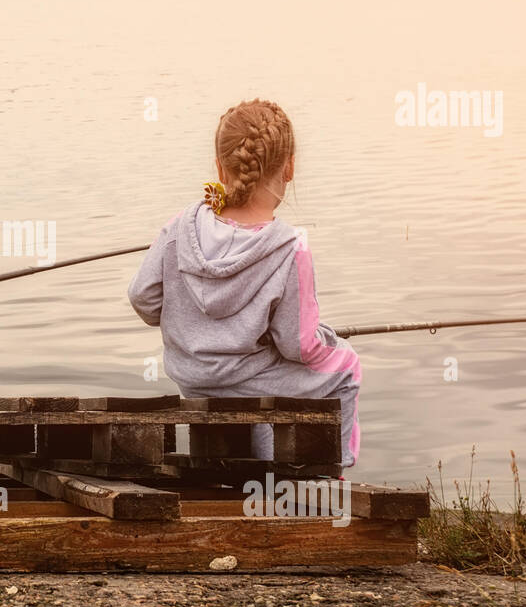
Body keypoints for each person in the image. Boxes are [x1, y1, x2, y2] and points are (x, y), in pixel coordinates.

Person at [127, 99, 360, 466]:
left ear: (220, 168)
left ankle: (251, 473)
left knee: (269, 383)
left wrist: (187, 321)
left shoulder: (179, 228)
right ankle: (332, 475)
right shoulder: (289, 247)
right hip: (249, 381)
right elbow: (298, 345)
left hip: (192, 378)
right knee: (345, 368)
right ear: (290, 168)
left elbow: (142, 297)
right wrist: (328, 343)